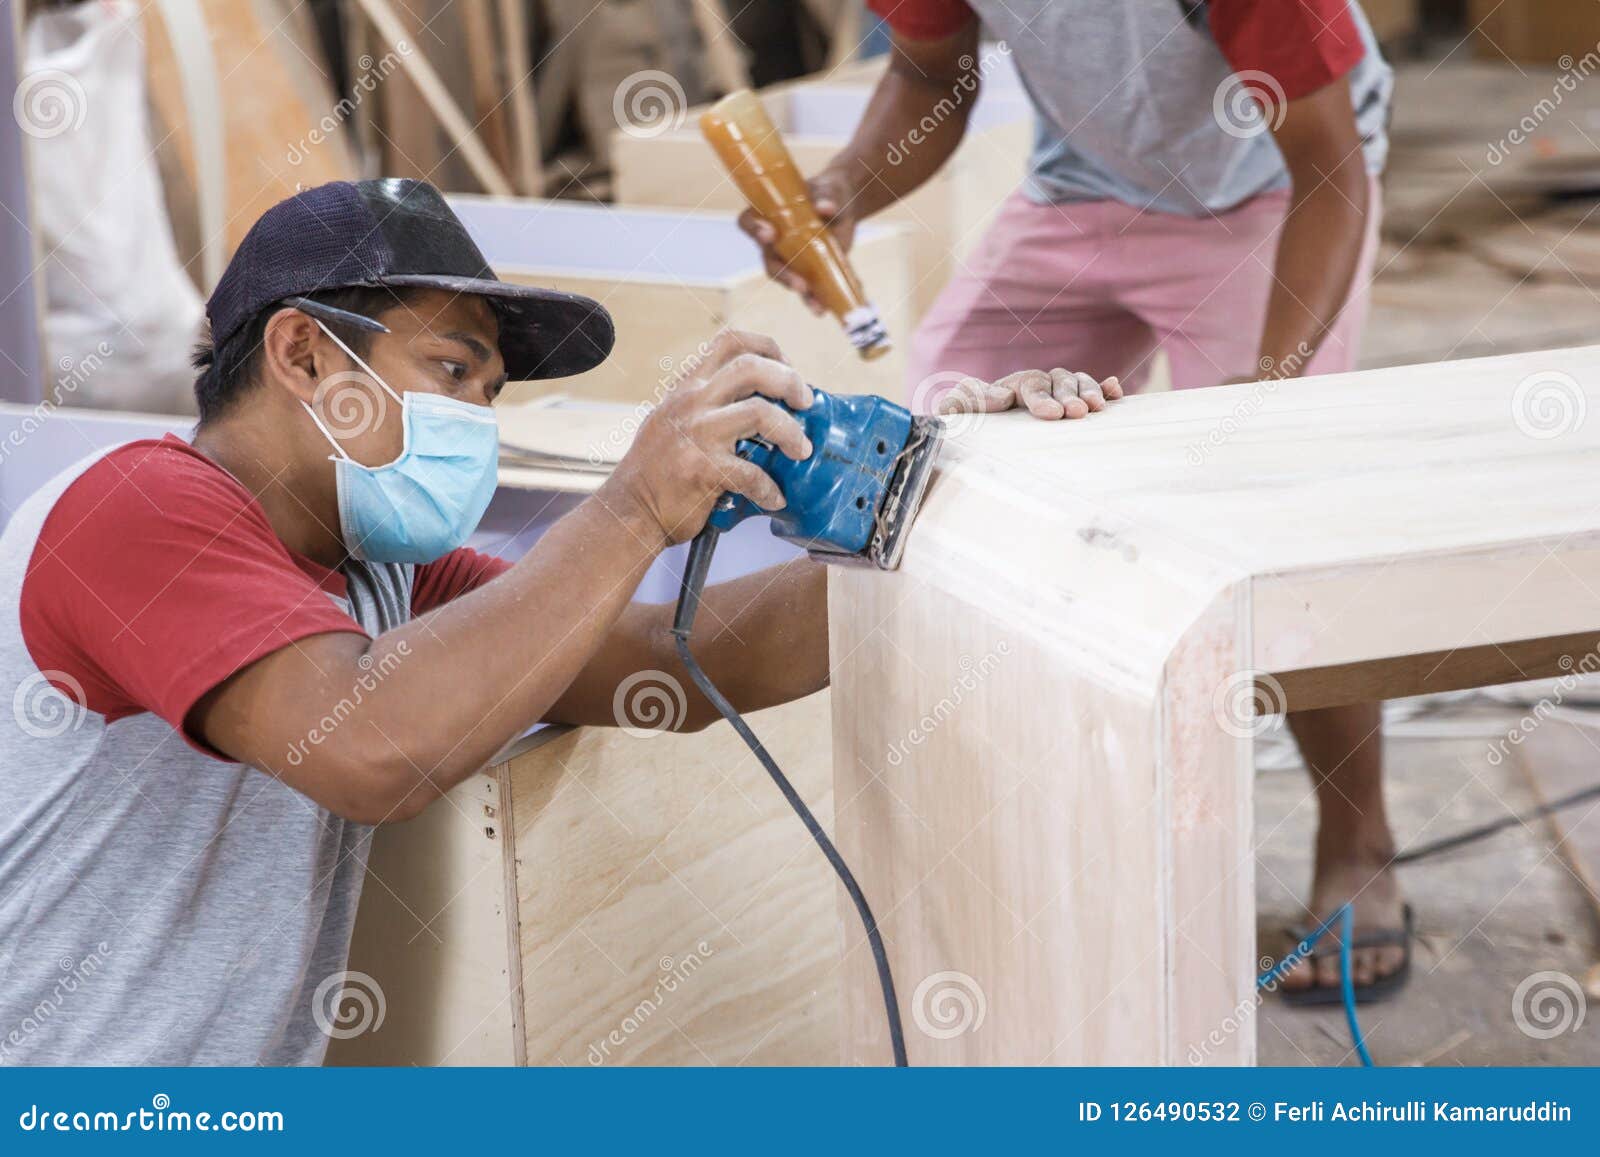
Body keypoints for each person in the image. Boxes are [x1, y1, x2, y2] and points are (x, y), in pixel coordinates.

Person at [4, 178, 1098, 1064]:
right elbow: (368, 745)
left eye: (487, 395)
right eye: (450, 371)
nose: (474, 422)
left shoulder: (380, 573)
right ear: (301, 356)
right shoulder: (134, 509)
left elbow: (676, 657)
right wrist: (629, 507)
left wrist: (944, 502)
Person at [741, 0, 1406, 1001]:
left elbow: (1327, 164)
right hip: (1084, 190)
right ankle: (1037, 828)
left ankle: (1358, 839)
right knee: (937, 453)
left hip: (1274, 188)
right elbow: (928, 76)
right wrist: (844, 190)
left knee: (1274, 510)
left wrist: (1270, 394)